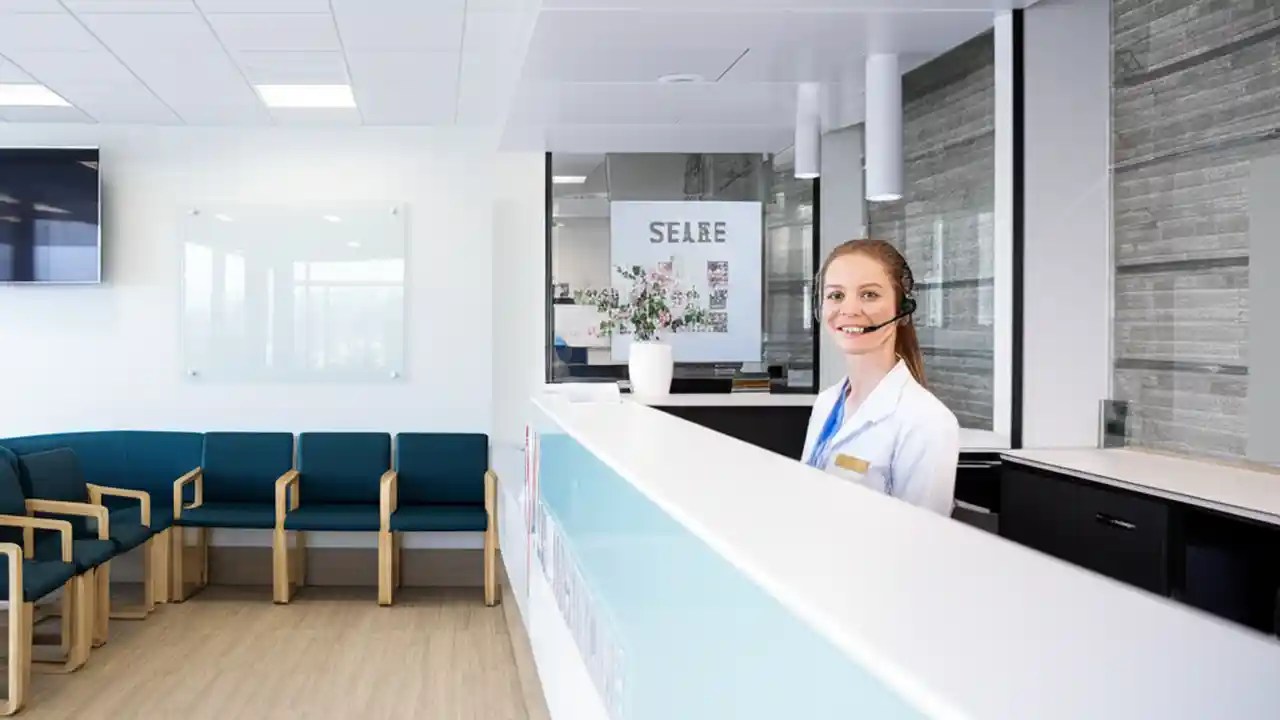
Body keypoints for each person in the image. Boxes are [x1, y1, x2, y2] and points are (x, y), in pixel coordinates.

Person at [801, 239, 960, 515]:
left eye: (869, 295)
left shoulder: (928, 422)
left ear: (902, 311)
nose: (848, 310)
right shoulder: (826, 403)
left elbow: (921, 542)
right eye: (836, 295)